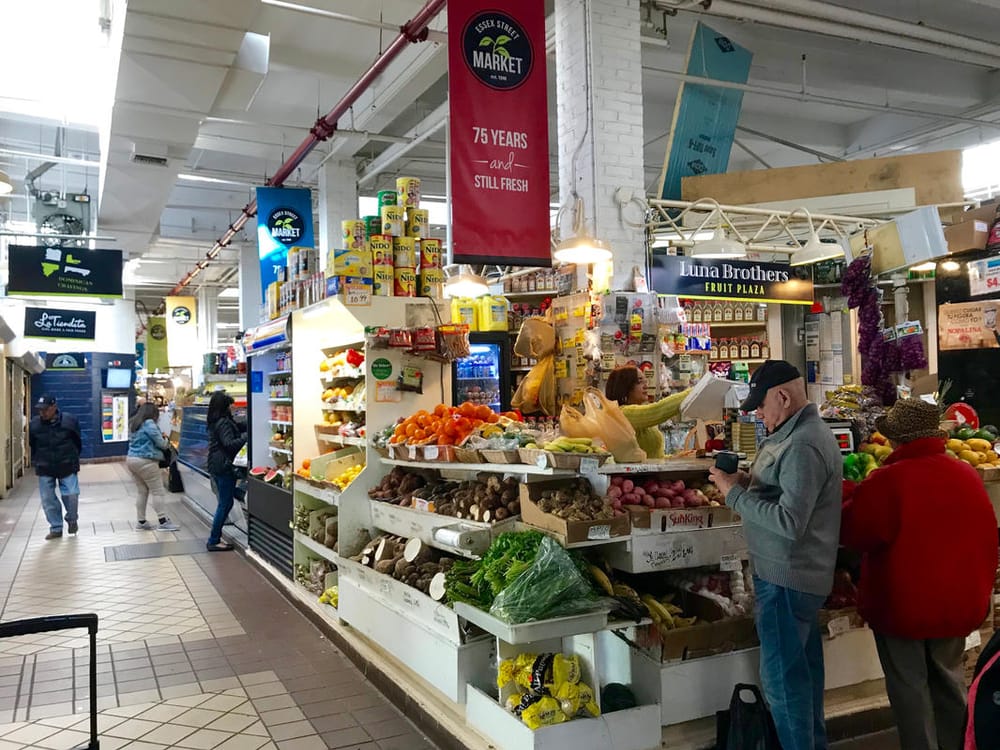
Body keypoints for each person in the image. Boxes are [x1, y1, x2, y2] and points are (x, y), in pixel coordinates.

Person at [841, 398, 997, 750]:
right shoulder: (965, 474)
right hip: (959, 604)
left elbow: (855, 532)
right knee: (950, 683)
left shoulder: (890, 479)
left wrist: (846, 494)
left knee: (910, 689)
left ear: (897, 440)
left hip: (904, 608)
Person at [708, 360, 842, 750]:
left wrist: (734, 494)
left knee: (784, 687)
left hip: (788, 580)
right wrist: (748, 482)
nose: (758, 415)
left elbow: (789, 521)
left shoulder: (803, 444)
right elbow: (788, 494)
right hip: (788, 576)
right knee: (803, 680)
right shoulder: (795, 434)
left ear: (783, 397)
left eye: (761, 406)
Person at [28, 394, 82, 540]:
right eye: (40, 410)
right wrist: (38, 460)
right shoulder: (34, 424)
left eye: (45, 409)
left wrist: (73, 457)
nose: (42, 413)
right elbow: (32, 444)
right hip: (45, 466)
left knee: (71, 494)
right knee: (47, 498)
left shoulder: (69, 421)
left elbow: (77, 441)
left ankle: (72, 519)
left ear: (54, 407)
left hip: (67, 464)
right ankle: (56, 527)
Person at [604, 365, 688, 459]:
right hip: (633, 473)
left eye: (645, 381)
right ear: (624, 387)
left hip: (648, 472)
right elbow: (658, 410)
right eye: (639, 382)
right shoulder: (622, 414)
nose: (646, 386)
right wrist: (693, 392)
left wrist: (675, 458)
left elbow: (652, 457)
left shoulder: (637, 415)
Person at [126, 402, 179, 531]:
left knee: (142, 491)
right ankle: (163, 521)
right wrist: (167, 441)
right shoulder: (149, 423)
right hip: (146, 461)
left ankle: (141, 521)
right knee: (158, 491)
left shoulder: (133, 423)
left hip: (132, 459)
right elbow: (161, 444)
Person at [206, 391, 245, 552]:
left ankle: (214, 538)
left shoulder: (217, 421)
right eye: (229, 405)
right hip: (224, 465)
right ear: (224, 407)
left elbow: (236, 427)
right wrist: (246, 437)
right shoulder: (223, 423)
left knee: (226, 499)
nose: (232, 408)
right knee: (225, 503)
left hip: (217, 464)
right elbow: (229, 443)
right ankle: (213, 540)